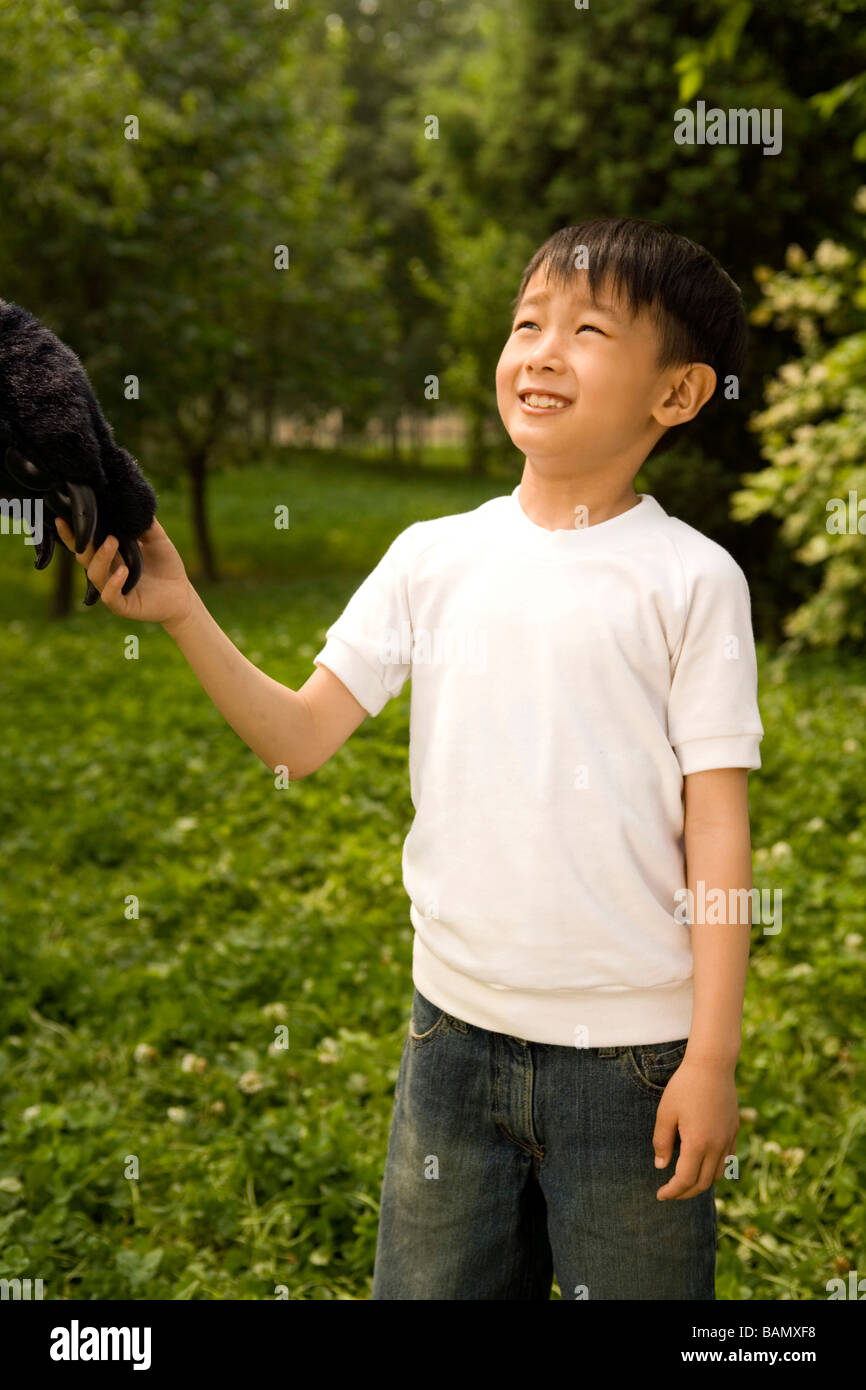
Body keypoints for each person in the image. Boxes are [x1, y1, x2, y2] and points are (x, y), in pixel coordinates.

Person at [57, 215, 763, 1301]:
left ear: (674, 394)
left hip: (631, 1066)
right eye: (527, 320)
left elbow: (717, 827)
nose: (538, 348)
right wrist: (186, 609)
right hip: (450, 1041)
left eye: (586, 329)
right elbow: (299, 735)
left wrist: (708, 1058)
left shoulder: (690, 579)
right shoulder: (431, 558)